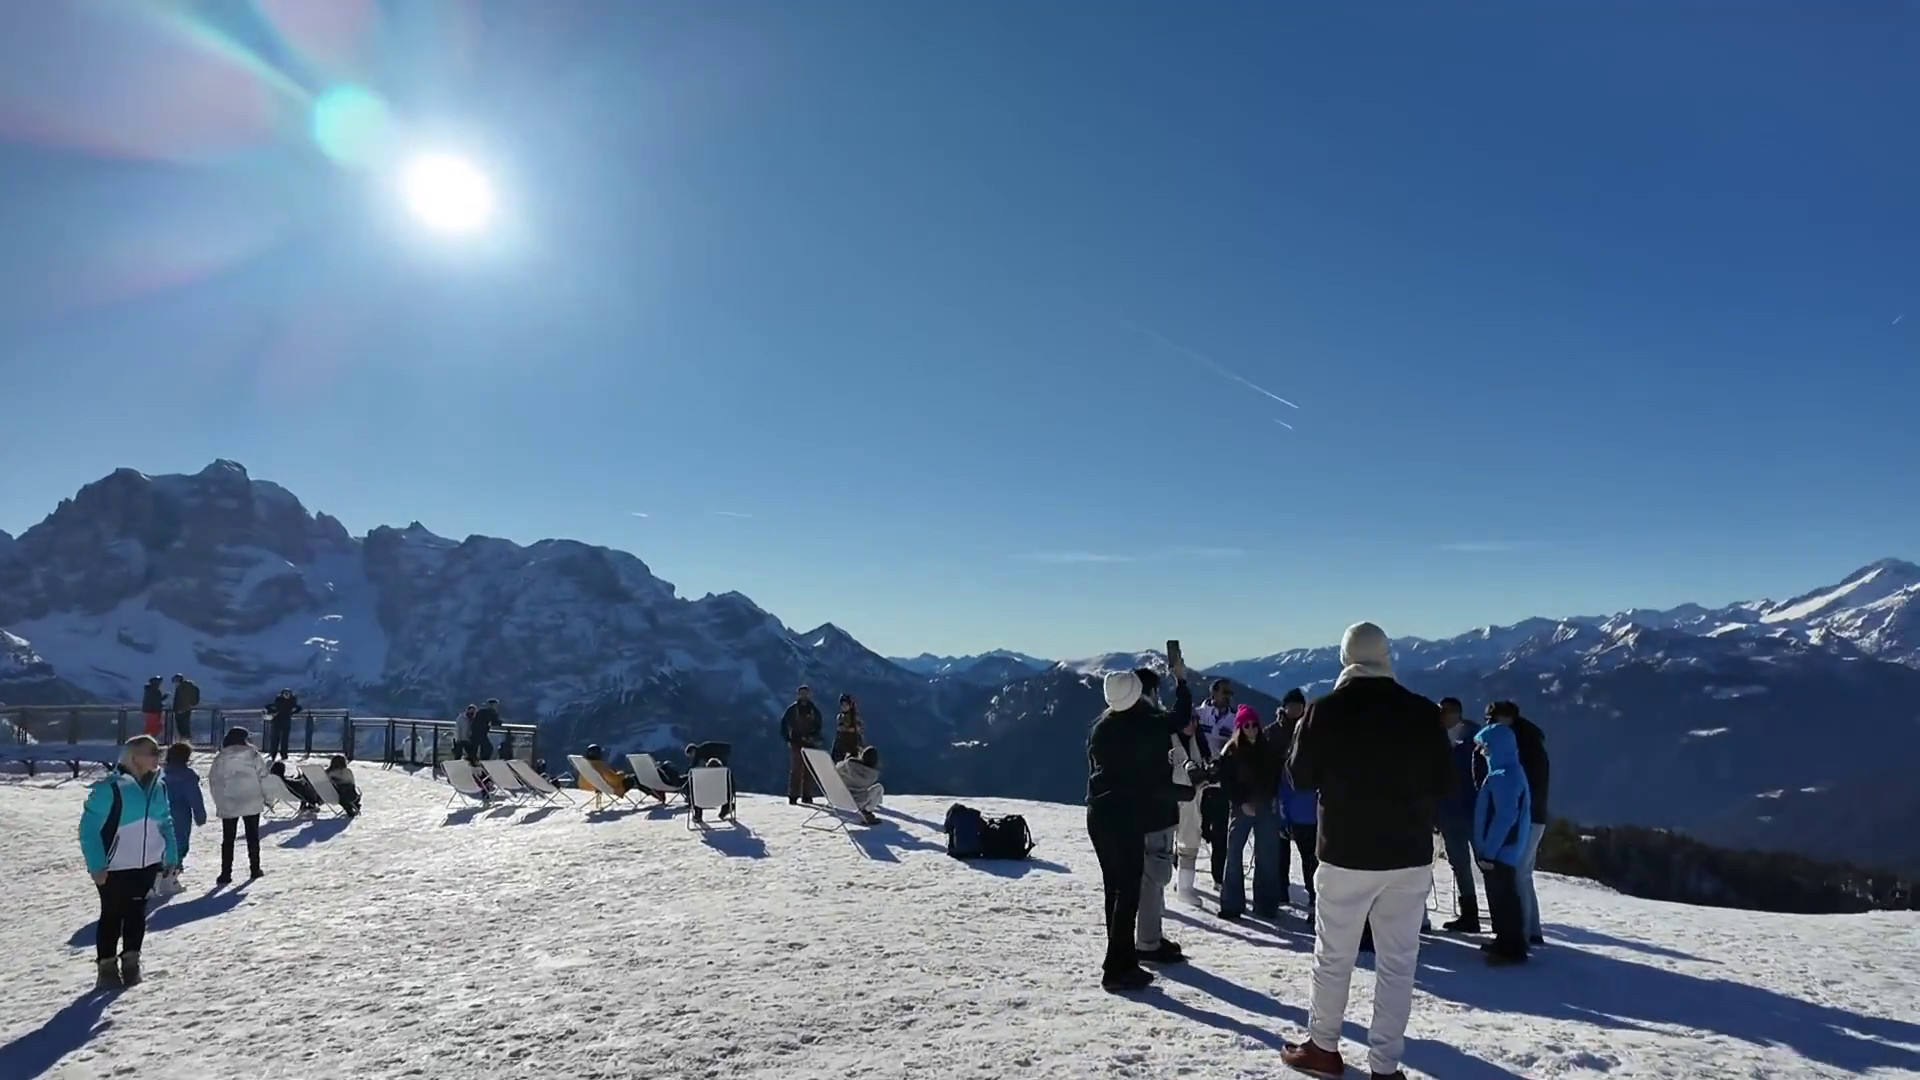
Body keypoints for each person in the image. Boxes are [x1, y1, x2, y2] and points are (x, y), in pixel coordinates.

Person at [1279, 622, 1451, 1080]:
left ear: (1346, 657)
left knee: (1334, 955)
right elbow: (1445, 780)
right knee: (1398, 963)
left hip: (1345, 852)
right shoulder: (1421, 712)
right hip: (1409, 855)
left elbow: (1299, 775)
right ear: (1386, 656)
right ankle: (1385, 1066)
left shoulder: (1325, 710)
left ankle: (1323, 1048)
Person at [1085, 668, 1182, 992]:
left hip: (1099, 816)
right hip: (1126, 818)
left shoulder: (1101, 728)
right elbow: (1179, 719)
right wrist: (1181, 681)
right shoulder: (1145, 727)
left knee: (1114, 890)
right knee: (1128, 893)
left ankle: (1122, 959)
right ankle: (1117, 968)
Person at [79, 735, 179, 990]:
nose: (158, 756)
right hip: (114, 866)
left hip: (146, 864)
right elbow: (89, 830)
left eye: (159, 752)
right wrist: (97, 865)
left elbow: (165, 821)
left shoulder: (159, 786)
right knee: (112, 915)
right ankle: (107, 967)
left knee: (136, 913)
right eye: (152, 752)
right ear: (134, 757)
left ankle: (131, 962)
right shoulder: (110, 788)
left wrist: (171, 855)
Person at [1482, 700, 1551, 946]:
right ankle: (1532, 930)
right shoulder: (1531, 739)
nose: (1488, 726)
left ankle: (1518, 934)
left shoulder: (1516, 745)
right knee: (1524, 874)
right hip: (1537, 815)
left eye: (1491, 720)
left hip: (1524, 816)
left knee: (1515, 873)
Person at [1471, 722, 1534, 965]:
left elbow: (1505, 817)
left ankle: (1511, 946)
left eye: (1486, 746)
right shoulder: (1511, 771)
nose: (1483, 751)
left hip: (1500, 850)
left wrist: (1489, 851)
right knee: (1502, 895)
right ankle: (1506, 940)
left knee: (1504, 896)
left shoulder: (1504, 776)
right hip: (1505, 849)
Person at [1216, 705, 1284, 920]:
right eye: (1247, 725)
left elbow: (1276, 777)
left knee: (1268, 857)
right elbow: (1226, 782)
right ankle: (1231, 904)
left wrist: (1272, 799)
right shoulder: (1231, 751)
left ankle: (1266, 904)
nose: (1252, 729)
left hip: (1265, 807)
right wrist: (1240, 802)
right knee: (1234, 856)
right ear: (1240, 727)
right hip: (1241, 808)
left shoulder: (1268, 748)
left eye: (1255, 725)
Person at [1435, 698, 1483, 933]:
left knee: (1482, 863)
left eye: (1443, 712)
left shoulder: (1476, 737)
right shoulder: (1438, 739)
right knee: (1460, 864)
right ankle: (1470, 915)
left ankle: (1493, 914)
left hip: (1471, 810)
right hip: (1449, 812)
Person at [1273, 690, 1319, 913]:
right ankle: (1282, 890)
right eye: (1291, 705)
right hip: (1291, 806)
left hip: (1309, 811)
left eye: (1299, 706)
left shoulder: (1315, 738)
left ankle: (1314, 896)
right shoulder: (1274, 732)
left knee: (1311, 858)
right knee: (1283, 852)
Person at [1191, 678, 1237, 886]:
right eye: (1224, 692)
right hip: (1197, 782)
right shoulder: (1198, 714)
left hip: (1221, 784)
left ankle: (1219, 878)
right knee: (1193, 828)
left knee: (1220, 833)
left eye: (1230, 693)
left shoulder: (1235, 719)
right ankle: (1184, 873)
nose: (1228, 696)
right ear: (1213, 693)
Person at [210, 727, 269, 884]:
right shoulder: (253, 755)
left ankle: (226, 873)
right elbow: (263, 776)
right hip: (251, 799)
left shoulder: (221, 757)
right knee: (252, 836)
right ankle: (255, 869)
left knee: (228, 839)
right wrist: (267, 797)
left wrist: (218, 800)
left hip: (229, 800)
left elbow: (214, 780)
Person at [1169, 686, 1210, 907]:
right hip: (1171, 797)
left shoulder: (1197, 742)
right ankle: (1158, 892)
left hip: (1192, 799)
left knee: (1189, 841)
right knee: (1164, 843)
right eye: (1188, 720)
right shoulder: (1168, 741)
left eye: (1195, 720)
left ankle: (1185, 888)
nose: (1192, 725)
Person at [161, 742, 207, 879]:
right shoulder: (187, 776)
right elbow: (194, 796)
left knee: (162, 842)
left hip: (159, 812)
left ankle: (160, 870)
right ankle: (172, 871)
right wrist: (200, 815)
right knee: (179, 842)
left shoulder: (160, 773)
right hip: (180, 814)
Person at [778, 685, 824, 805]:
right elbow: (784, 724)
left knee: (809, 769)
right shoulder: (792, 709)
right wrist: (787, 738)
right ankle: (793, 796)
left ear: (809, 695)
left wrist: (813, 736)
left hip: (810, 742)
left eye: (805, 694)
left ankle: (807, 796)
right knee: (796, 769)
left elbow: (818, 725)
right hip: (796, 742)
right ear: (797, 695)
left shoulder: (813, 710)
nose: (803, 696)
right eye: (801, 694)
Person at [684, 739, 735, 822]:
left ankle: (697, 815)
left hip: (702, 800)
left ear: (693, 750)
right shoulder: (725, 775)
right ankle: (727, 807)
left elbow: (693, 764)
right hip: (721, 798)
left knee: (697, 792)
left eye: (691, 755)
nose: (692, 757)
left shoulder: (700, 752)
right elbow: (732, 791)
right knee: (727, 788)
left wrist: (688, 773)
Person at [835, 745, 885, 825]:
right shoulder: (873, 775)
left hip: (840, 797)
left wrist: (848, 760)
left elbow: (836, 768)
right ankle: (867, 811)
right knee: (879, 788)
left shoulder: (848, 765)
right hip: (859, 802)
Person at [264, 689, 302, 762]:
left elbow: (268, 706)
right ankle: (275, 754)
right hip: (280, 722)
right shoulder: (287, 701)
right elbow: (299, 708)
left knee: (282, 740)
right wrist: (292, 713)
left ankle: (280, 755)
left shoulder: (283, 701)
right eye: (285, 693)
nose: (286, 695)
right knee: (277, 739)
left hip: (280, 722)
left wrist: (273, 711)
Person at [831, 694, 865, 762]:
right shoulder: (840, 716)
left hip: (852, 744)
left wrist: (851, 729)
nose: (844, 707)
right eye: (842, 705)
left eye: (846, 704)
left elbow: (859, 728)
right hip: (841, 744)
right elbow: (840, 728)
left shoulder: (855, 717)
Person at [169, 674, 200, 743]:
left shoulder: (181, 688)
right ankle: (186, 742)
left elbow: (179, 700)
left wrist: (178, 709)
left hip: (181, 711)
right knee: (185, 728)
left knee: (182, 729)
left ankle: (183, 742)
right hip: (186, 710)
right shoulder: (188, 686)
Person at [469, 698, 501, 763]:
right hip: (482, 732)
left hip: (474, 731)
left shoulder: (481, 711)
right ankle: (483, 762)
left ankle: (474, 761)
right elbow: (496, 722)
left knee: (475, 748)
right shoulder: (492, 712)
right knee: (488, 748)